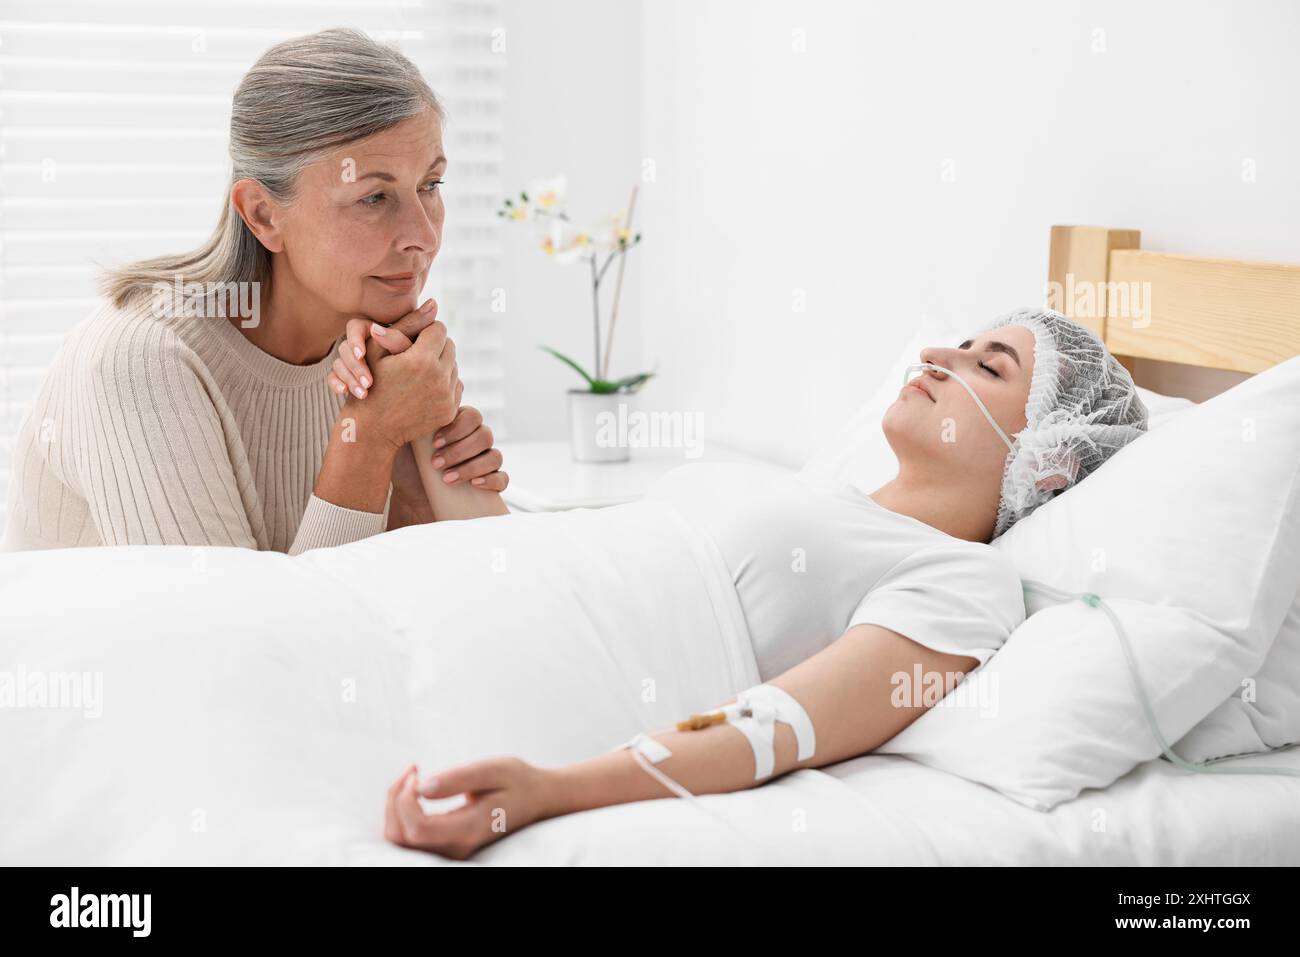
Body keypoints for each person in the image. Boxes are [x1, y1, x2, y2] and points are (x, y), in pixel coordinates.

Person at [378, 308, 1150, 860]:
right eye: (964, 341)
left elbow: (776, 728)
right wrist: (423, 415)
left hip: (515, 665)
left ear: (1050, 456)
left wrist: (549, 791)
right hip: (457, 601)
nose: (940, 355)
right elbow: (562, 563)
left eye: (989, 366)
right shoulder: (814, 494)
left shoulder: (965, 580)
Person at [1, 29, 506, 555]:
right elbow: (235, 632)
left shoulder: (375, 360)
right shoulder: (139, 361)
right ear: (263, 215)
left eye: (431, 185)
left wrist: (412, 502)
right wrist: (369, 441)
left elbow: (500, 593)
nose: (423, 236)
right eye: (374, 197)